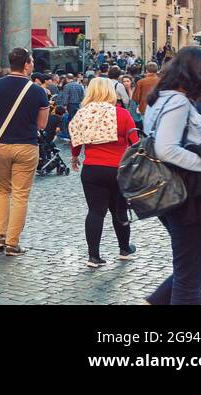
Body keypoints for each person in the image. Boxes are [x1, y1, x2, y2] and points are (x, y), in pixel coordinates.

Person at [141, 47, 201, 305]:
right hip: (187, 196)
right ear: (198, 74)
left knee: (200, 265)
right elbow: (166, 149)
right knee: (191, 276)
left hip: (173, 193)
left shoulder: (160, 98)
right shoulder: (176, 101)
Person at [0, 47, 50, 256]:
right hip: (26, 146)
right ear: (26, 65)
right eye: (31, 62)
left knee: (2, 191)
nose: (32, 65)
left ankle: (0, 236)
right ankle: (13, 244)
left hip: (1, 145)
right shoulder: (37, 90)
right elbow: (42, 125)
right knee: (21, 196)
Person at [69, 77, 138, 267]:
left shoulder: (82, 114)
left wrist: (75, 158)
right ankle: (124, 248)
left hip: (92, 169)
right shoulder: (121, 114)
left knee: (95, 212)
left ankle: (94, 256)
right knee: (120, 210)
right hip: (118, 169)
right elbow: (134, 141)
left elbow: (76, 140)